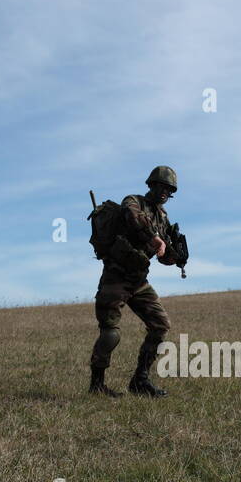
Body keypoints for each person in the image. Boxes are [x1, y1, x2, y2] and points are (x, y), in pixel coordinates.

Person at [88, 166, 181, 398]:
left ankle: (140, 380)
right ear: (151, 185)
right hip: (116, 277)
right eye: (161, 186)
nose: (164, 192)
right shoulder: (133, 201)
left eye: (169, 190)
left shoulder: (163, 218)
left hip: (139, 281)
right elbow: (132, 216)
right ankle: (97, 386)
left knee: (160, 325)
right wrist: (155, 237)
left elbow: (164, 256)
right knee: (110, 333)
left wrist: (176, 256)